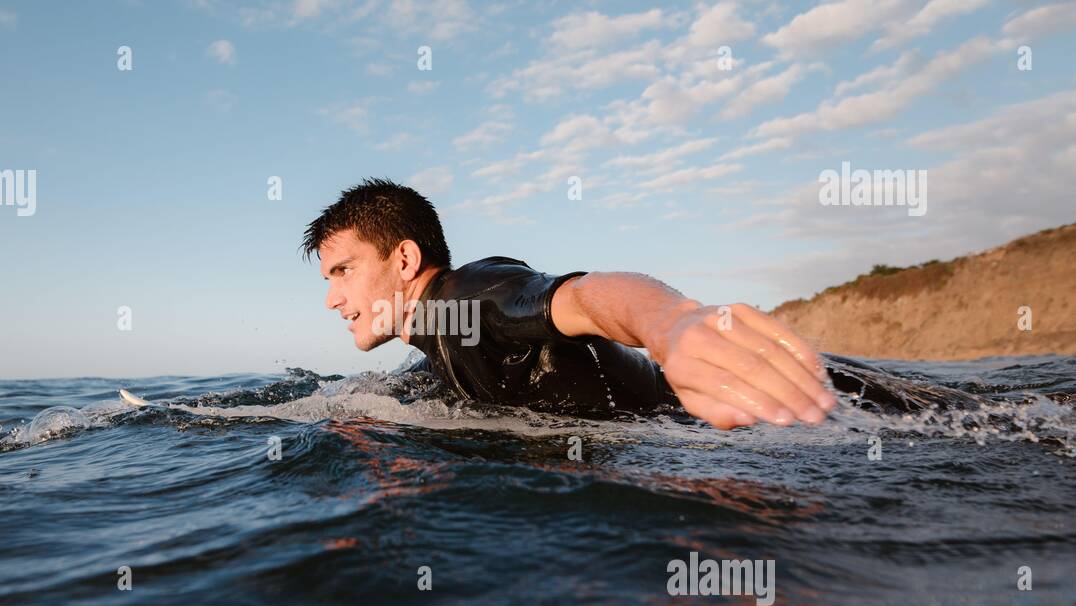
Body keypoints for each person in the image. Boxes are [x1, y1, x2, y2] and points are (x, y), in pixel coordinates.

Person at [301, 178, 970, 425]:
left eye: (343, 270)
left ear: (406, 260)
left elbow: (586, 297)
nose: (333, 298)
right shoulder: (438, 342)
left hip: (757, 403)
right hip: (739, 405)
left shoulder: (466, 299)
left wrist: (673, 324)